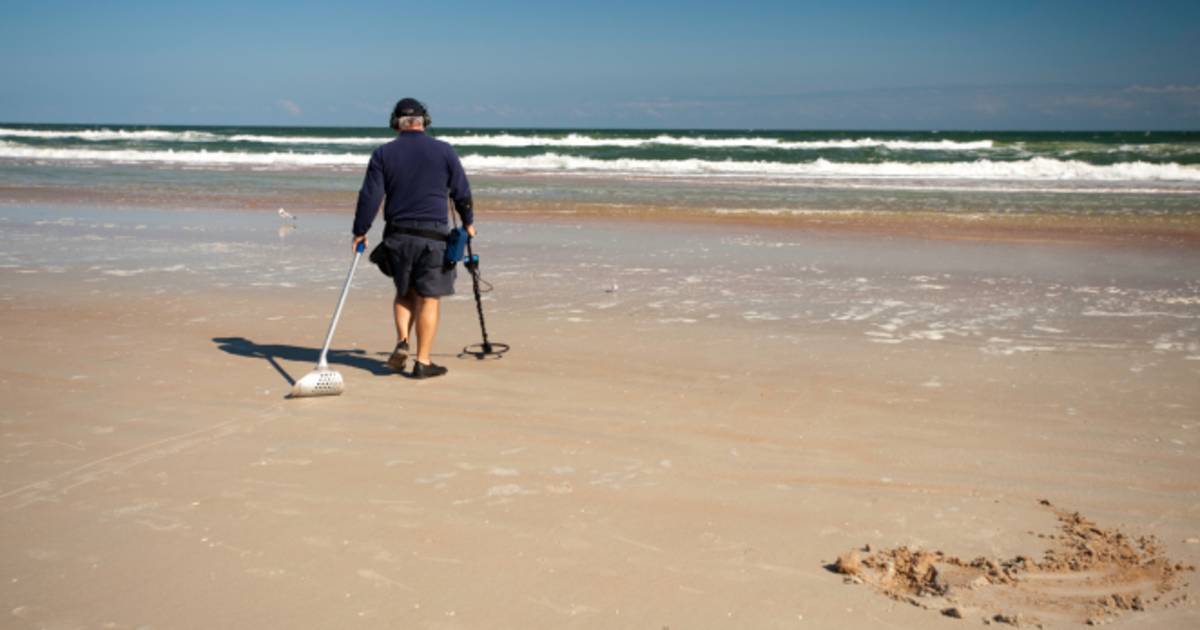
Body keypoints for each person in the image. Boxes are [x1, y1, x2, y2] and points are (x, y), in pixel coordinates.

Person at [352, 97, 476, 379]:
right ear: (425, 121)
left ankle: (402, 342)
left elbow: (370, 197)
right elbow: (462, 193)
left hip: (398, 236)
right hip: (433, 236)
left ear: (396, 122)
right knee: (429, 298)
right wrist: (468, 223)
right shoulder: (444, 151)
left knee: (404, 292)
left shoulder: (383, 154)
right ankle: (423, 361)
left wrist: (360, 231)